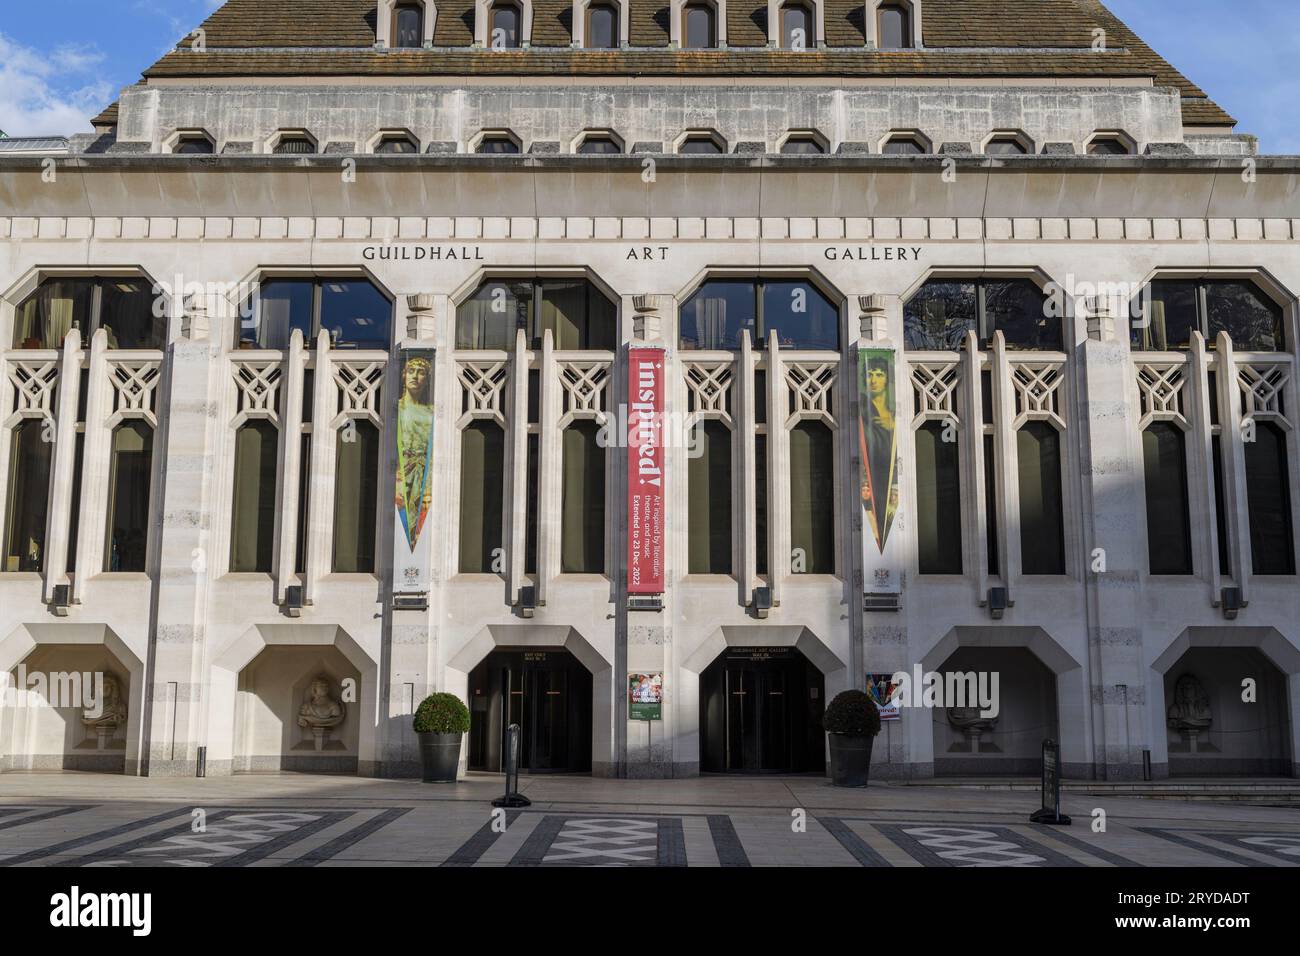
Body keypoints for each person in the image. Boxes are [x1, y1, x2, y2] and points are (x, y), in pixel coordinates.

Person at [859, 354, 898, 550]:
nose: (873, 380)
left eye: (879, 374)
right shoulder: (864, 408)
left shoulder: (892, 411)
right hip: (870, 470)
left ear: (886, 378)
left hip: (889, 473)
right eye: (869, 374)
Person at [396, 355, 434, 551]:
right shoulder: (399, 407)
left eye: (421, 373)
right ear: (403, 375)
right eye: (411, 371)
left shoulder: (430, 411)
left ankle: (414, 541)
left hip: (423, 470)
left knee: (421, 509)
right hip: (404, 470)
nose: (415, 376)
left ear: (427, 379)